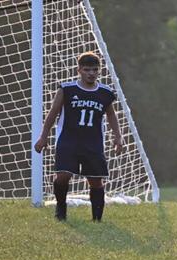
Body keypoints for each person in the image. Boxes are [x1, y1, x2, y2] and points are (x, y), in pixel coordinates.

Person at [33, 52, 124, 222]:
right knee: (63, 175)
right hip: (69, 140)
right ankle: (61, 209)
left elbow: (111, 115)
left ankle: (97, 219)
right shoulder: (67, 89)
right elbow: (53, 113)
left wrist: (118, 137)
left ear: (99, 71)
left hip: (93, 142)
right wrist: (43, 137)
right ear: (79, 70)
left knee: (95, 181)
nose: (91, 73)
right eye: (87, 69)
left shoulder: (105, 93)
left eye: (95, 70)